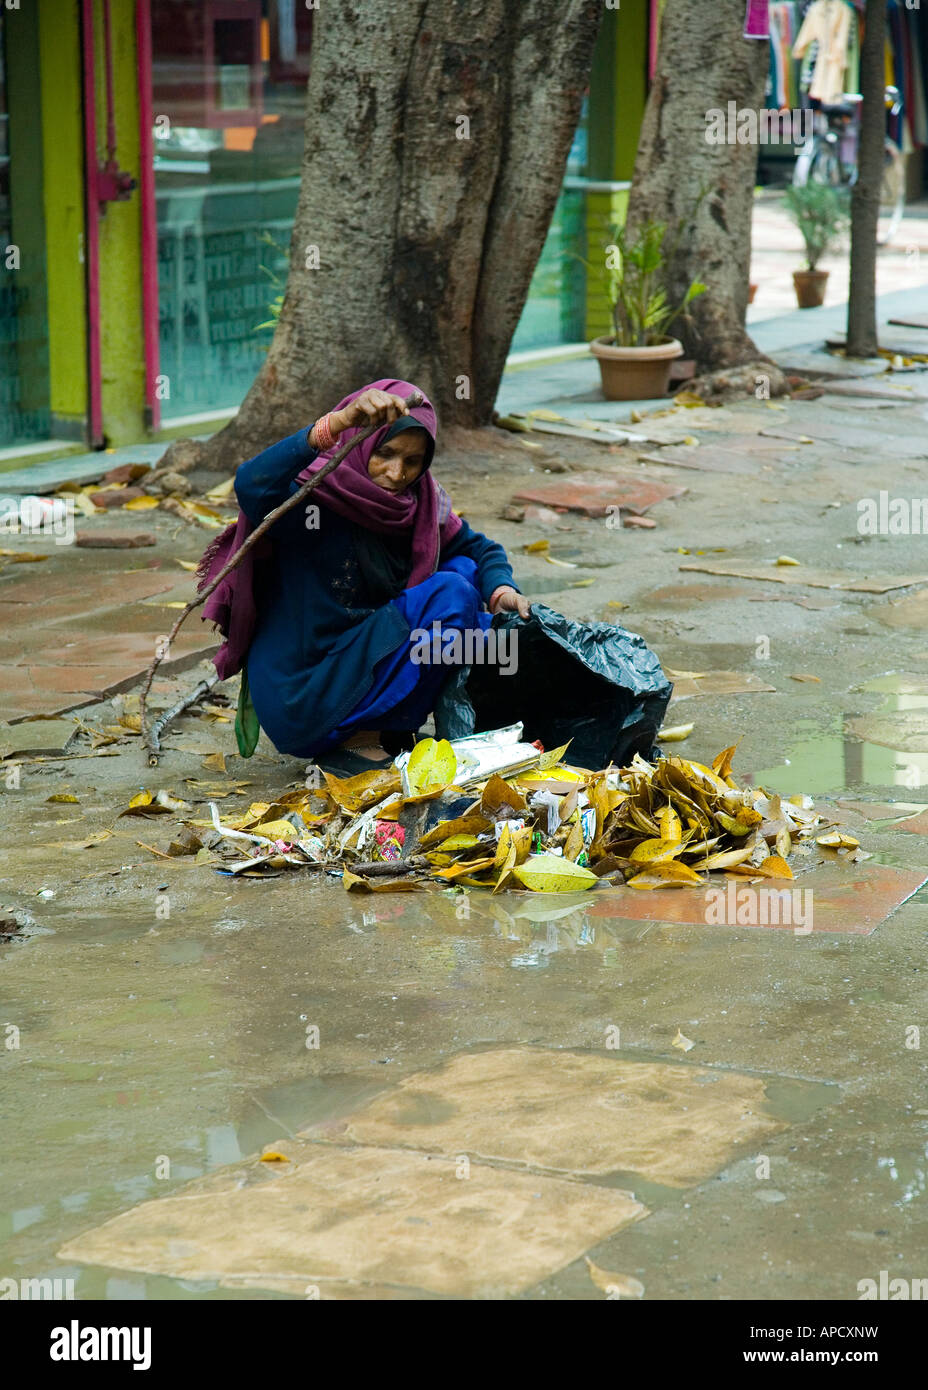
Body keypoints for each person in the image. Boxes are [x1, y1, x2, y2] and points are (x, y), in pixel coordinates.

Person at [197, 378, 531, 773]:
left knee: (467, 571)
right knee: (451, 594)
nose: (396, 473)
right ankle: (358, 740)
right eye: (385, 453)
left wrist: (501, 590)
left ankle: (390, 726)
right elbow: (251, 485)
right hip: (303, 691)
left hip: (360, 661)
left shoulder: (420, 506)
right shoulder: (312, 500)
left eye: (412, 461)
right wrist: (334, 424)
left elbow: (479, 548)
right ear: (360, 442)